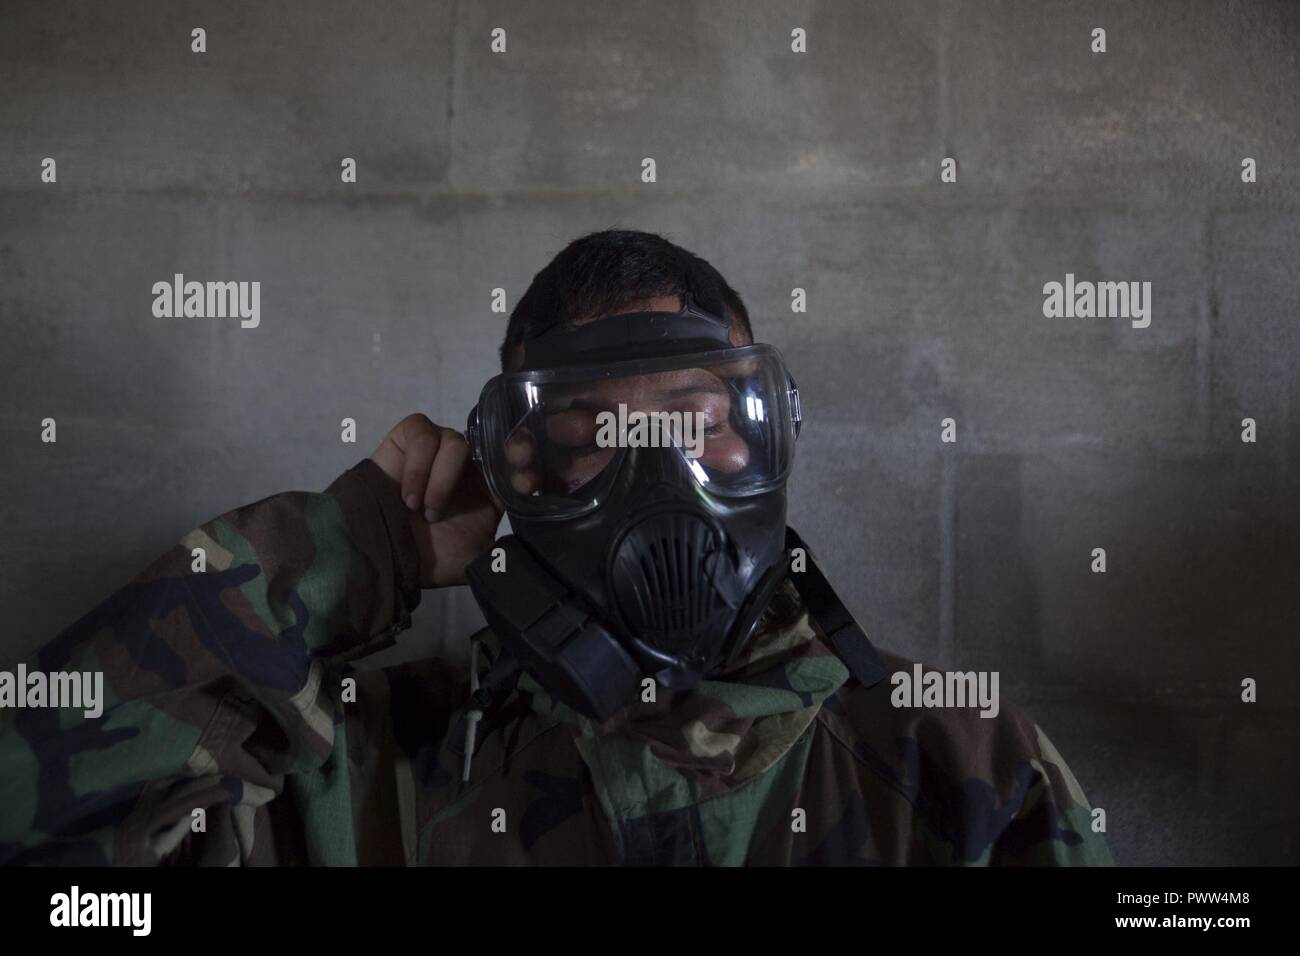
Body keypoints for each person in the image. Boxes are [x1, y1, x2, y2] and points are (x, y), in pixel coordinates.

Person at [0, 230, 1113, 866]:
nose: (653, 472)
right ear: (509, 473)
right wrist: (352, 549)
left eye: (695, 418)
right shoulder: (355, 775)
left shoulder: (953, 755)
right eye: (590, 436)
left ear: (769, 438)